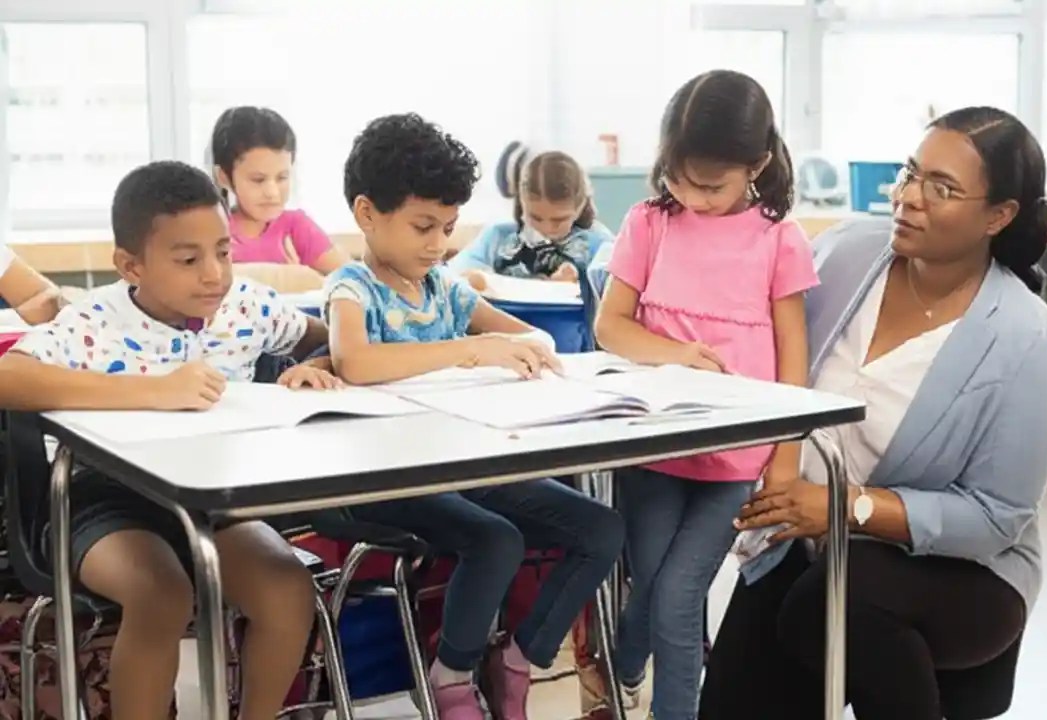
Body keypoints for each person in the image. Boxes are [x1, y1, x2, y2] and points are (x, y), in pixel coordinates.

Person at [699, 107, 1047, 720]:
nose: (908, 198)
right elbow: (763, 353)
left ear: (998, 217)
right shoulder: (846, 252)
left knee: (842, 600)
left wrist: (849, 508)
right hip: (808, 540)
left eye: (941, 188)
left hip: (963, 572)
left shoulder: (1029, 339)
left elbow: (996, 517)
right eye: (909, 173)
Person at [0, 160, 337, 720]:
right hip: (104, 502)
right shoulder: (96, 321)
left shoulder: (245, 309)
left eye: (224, 252)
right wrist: (152, 391)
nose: (214, 274)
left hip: (210, 499)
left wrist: (321, 362)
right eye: (188, 259)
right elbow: (9, 378)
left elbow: (331, 336)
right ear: (131, 265)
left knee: (286, 586)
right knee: (161, 594)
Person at [323, 113, 625, 720]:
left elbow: (532, 334)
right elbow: (353, 360)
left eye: (450, 227)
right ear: (366, 214)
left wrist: (528, 349)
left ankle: (516, 659)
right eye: (423, 227)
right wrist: (468, 349)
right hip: (392, 479)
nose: (438, 244)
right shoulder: (351, 287)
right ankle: (451, 678)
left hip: (469, 466)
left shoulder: (445, 288)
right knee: (495, 539)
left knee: (602, 530)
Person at [594, 69, 818, 720]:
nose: (693, 197)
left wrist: (785, 461)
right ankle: (622, 665)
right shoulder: (648, 223)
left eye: (712, 185)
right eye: (679, 178)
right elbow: (611, 326)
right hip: (652, 447)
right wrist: (676, 356)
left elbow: (793, 355)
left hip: (736, 460)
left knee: (676, 596)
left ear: (759, 164)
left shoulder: (780, 238)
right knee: (651, 588)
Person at [211, 106, 350, 275]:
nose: (272, 192)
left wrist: (303, 277)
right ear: (224, 177)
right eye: (258, 180)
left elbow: (356, 282)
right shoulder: (212, 235)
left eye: (282, 178)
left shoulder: (296, 228)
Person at [450, 150, 614, 292]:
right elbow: (453, 274)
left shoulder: (601, 244)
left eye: (559, 219)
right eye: (535, 217)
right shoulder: (497, 236)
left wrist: (580, 284)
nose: (547, 228)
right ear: (522, 203)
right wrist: (477, 278)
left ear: (580, 206)